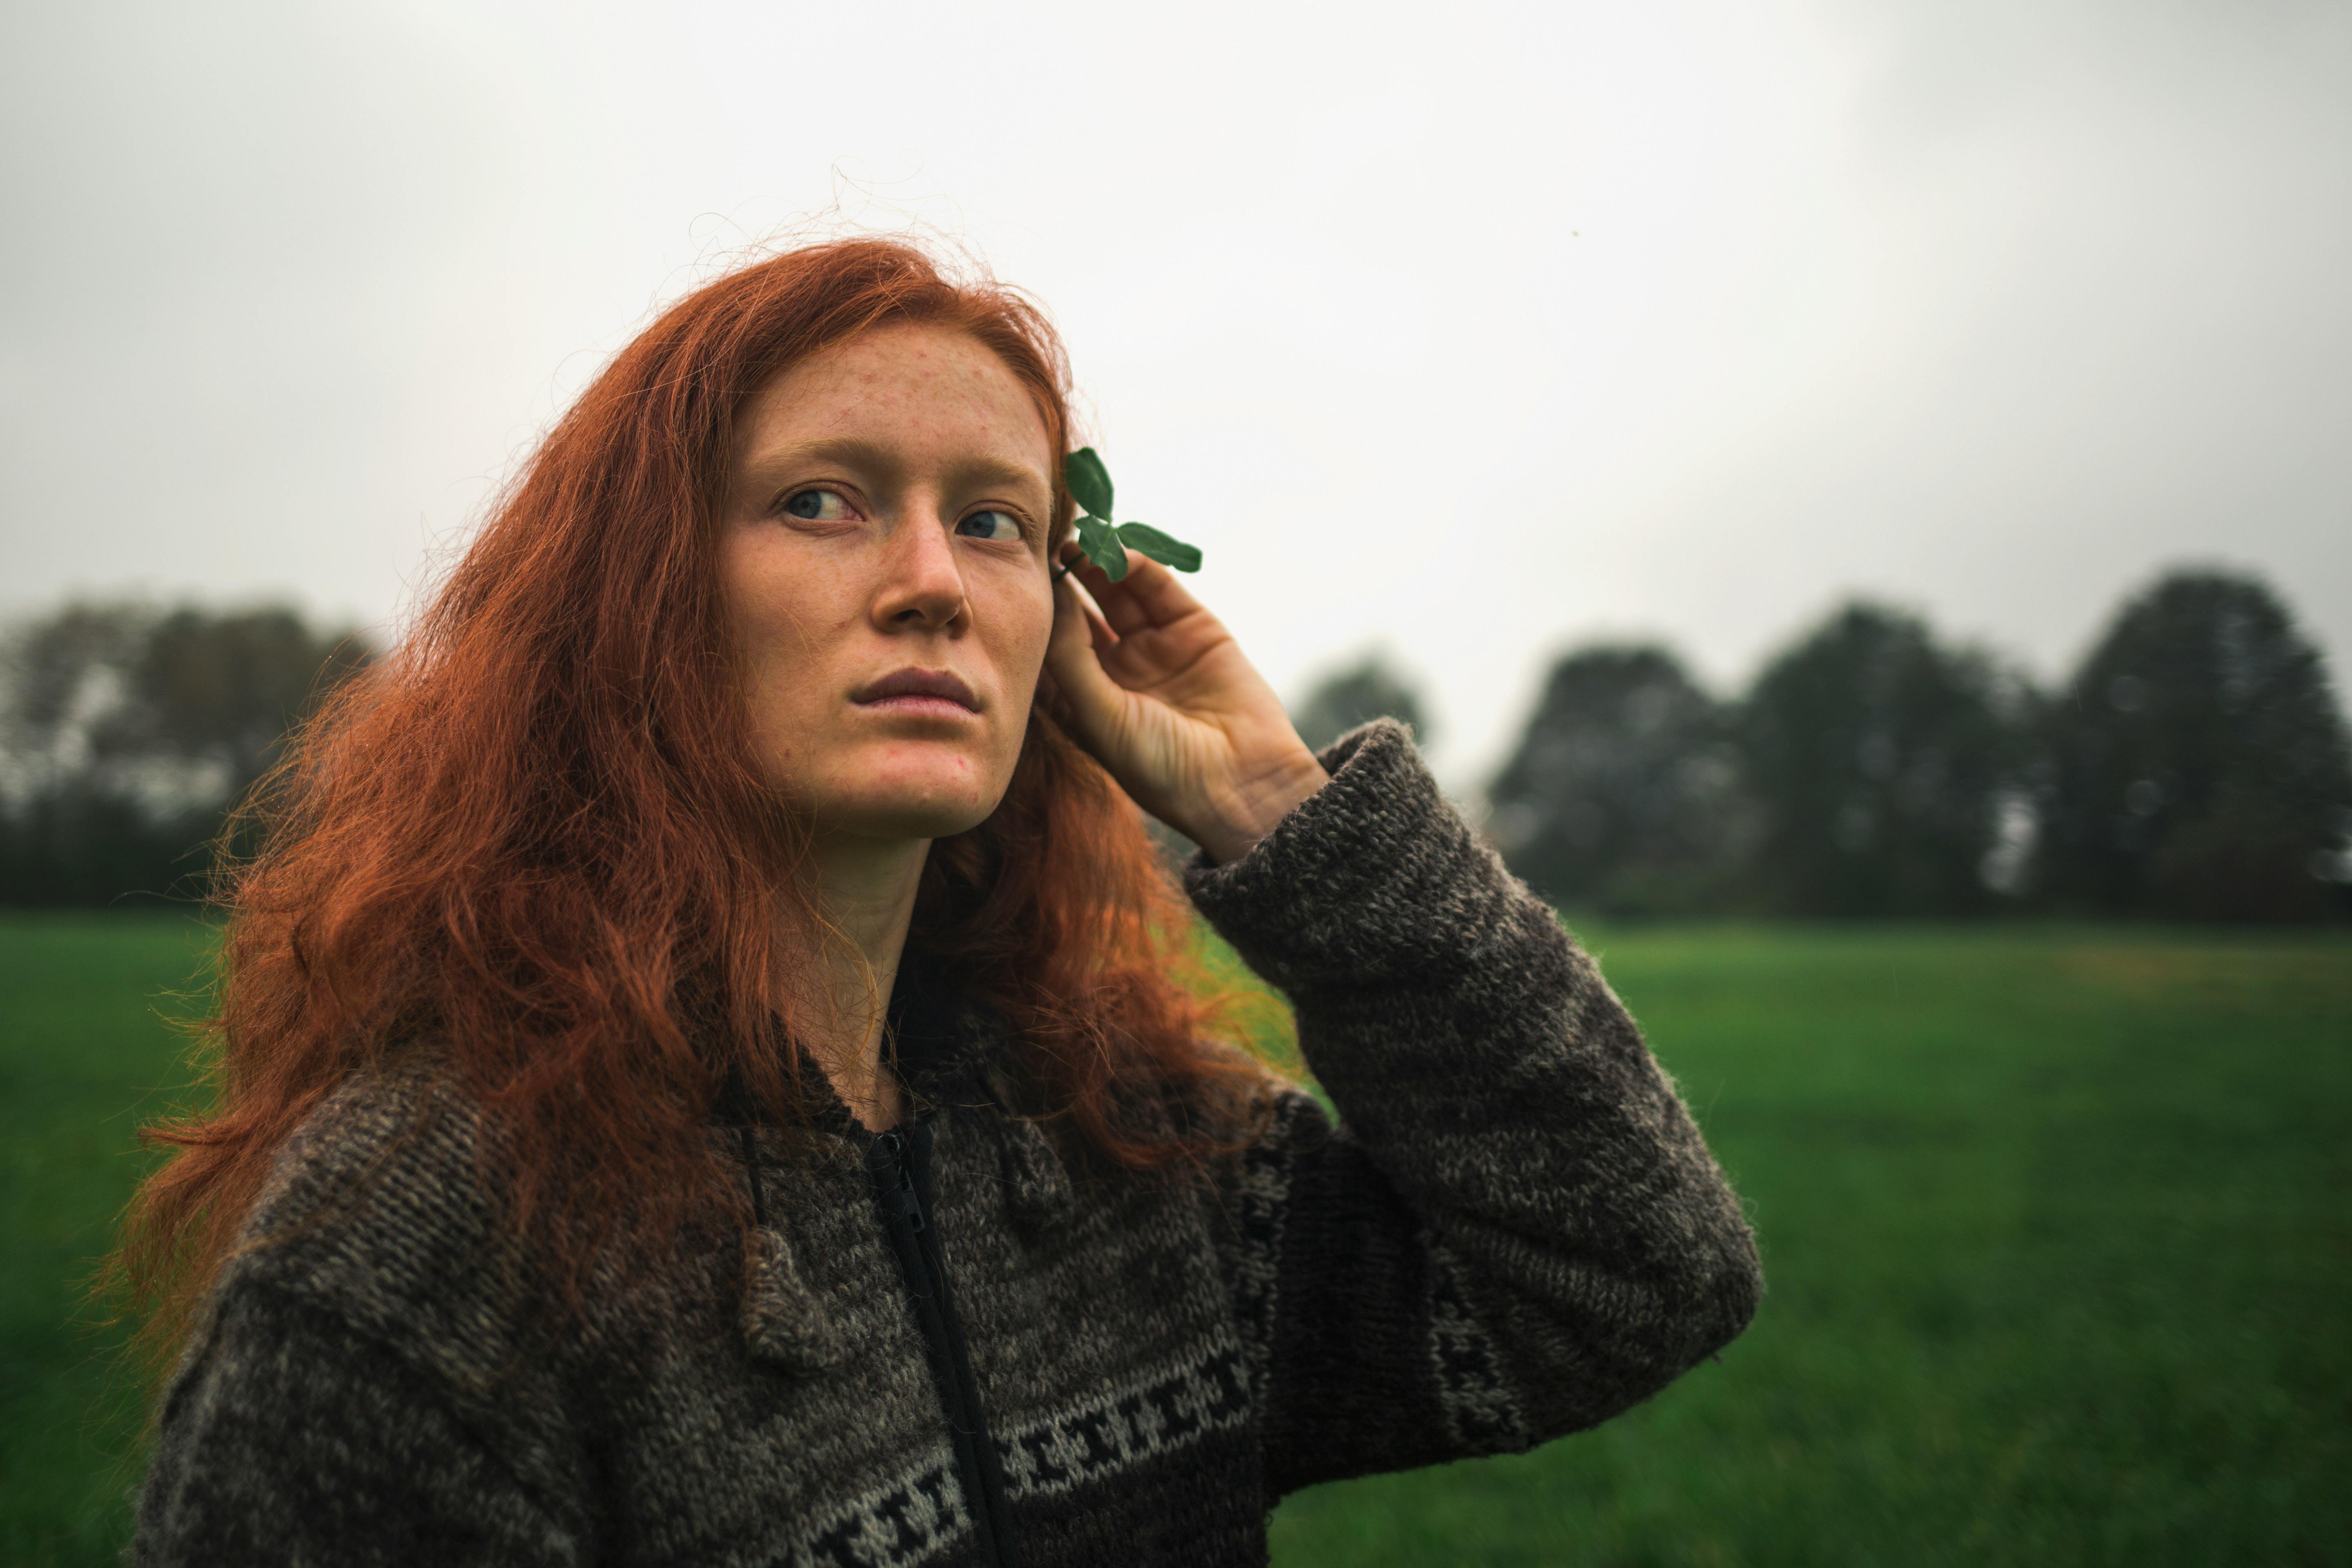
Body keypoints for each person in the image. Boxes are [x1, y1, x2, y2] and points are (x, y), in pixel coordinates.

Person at [121, 238, 1761, 1567]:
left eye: (995, 523)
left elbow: (1635, 1275)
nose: (930, 581)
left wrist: (1278, 819)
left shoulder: (1120, 1139)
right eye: (821, 500)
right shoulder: (432, 1238)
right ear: (639, 600)